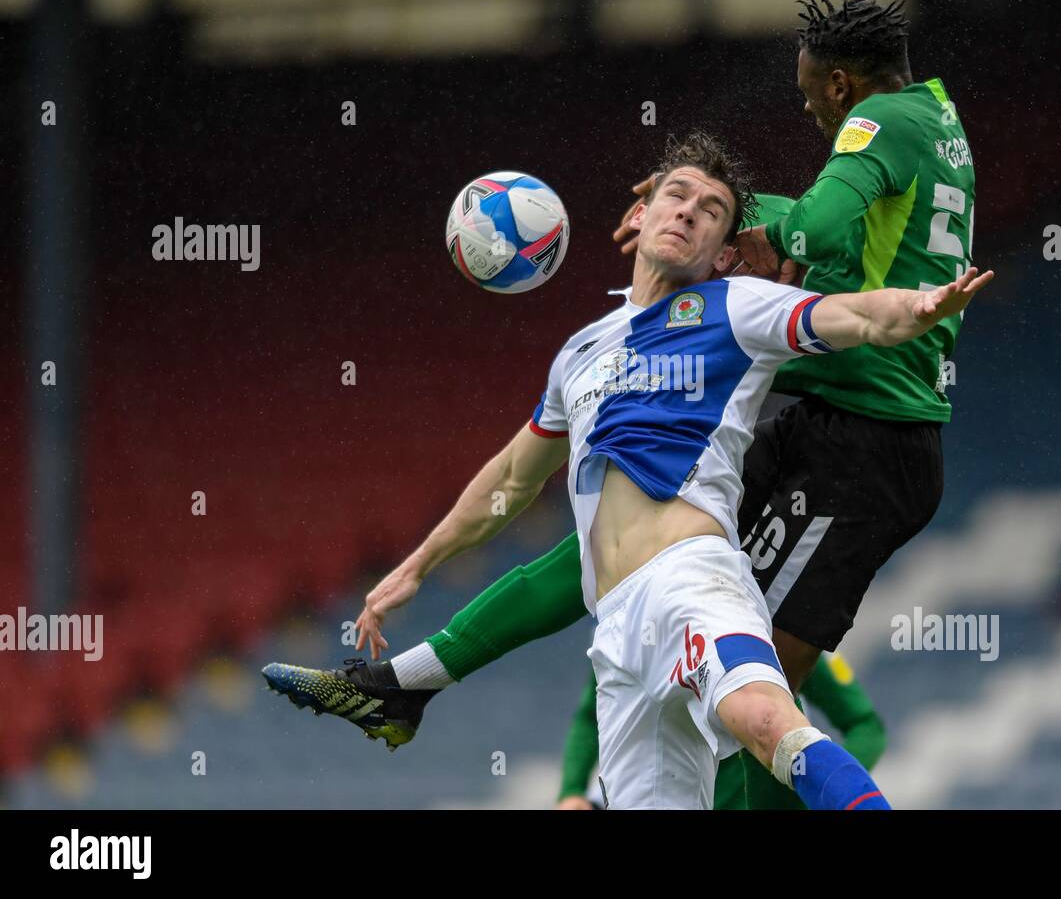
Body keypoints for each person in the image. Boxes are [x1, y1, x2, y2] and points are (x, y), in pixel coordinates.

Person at [264, 131, 991, 808]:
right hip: (618, 640)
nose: (691, 212)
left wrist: (917, 307)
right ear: (640, 214)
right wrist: (418, 565)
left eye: (713, 211)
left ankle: (404, 687)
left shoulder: (737, 307)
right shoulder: (582, 351)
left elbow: (856, 318)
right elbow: (513, 481)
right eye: (677, 195)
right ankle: (405, 688)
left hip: (694, 585)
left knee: (767, 721)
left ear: (722, 251)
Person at [555, 651, 888, 809]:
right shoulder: (636, 624)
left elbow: (866, 725)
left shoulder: (779, 635)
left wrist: (820, 788)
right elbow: (590, 716)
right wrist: (571, 791)